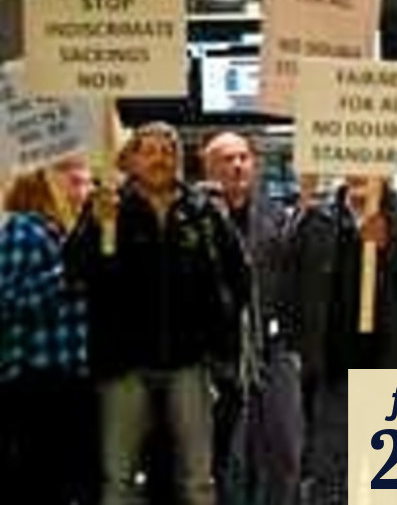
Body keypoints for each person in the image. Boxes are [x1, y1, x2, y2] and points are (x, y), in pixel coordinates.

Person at [66, 122, 251, 505]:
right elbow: (74, 273)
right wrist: (94, 228)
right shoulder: (107, 207)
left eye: (168, 151)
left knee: (199, 480)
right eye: (149, 151)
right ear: (131, 159)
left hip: (189, 363)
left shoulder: (202, 211)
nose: (159, 158)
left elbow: (239, 274)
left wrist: (217, 333)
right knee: (120, 479)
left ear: (180, 160)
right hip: (123, 363)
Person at [287, 176, 397, 504]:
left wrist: (392, 246)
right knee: (329, 478)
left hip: (395, 373)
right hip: (334, 374)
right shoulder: (316, 218)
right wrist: (298, 349)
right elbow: (291, 283)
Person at [202, 132, 301, 505]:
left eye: (244, 157)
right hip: (218, 354)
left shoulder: (277, 216)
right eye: (227, 159)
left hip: (275, 347)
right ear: (209, 166)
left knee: (284, 447)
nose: (238, 165)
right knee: (231, 456)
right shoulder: (195, 218)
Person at [0, 157, 95, 504]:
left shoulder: (70, 234)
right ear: (44, 185)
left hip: (74, 374)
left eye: (88, 183)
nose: (85, 192)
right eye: (76, 182)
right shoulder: (23, 229)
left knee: (71, 480)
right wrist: (67, 273)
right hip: (36, 378)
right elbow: (9, 300)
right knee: (38, 480)